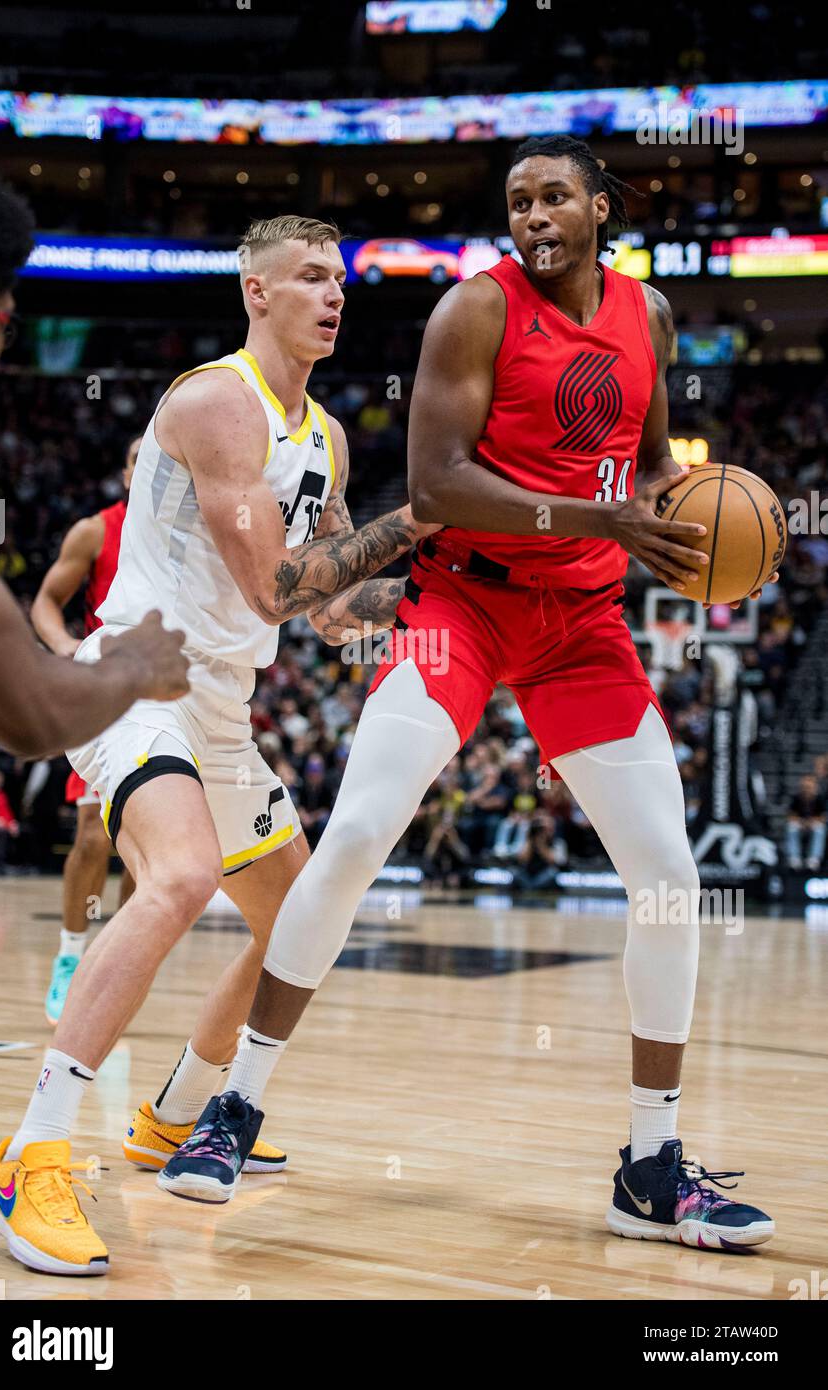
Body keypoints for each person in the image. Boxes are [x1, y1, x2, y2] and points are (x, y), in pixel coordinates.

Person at [164, 137, 779, 1253]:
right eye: (517, 201)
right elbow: (438, 484)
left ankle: (649, 1162)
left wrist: (669, 525)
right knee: (354, 836)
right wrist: (601, 520)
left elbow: (634, 471)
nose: (534, 213)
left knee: (668, 879)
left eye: (554, 196)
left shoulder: (648, 319)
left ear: (598, 207)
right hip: (466, 604)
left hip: (582, 625)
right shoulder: (473, 311)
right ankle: (233, 1106)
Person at [0, 214, 434, 1274]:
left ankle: (178, 1110)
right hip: (135, 687)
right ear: (256, 293)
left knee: (300, 916)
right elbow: (274, 583)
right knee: (179, 876)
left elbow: (320, 608)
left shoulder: (322, 434)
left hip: (220, 708)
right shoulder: (218, 400)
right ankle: (29, 1151)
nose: (333, 294)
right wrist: (425, 515)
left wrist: (439, 589)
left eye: (341, 280)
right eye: (310, 276)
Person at [0, 167, 190, 759]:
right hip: (92, 687)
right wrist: (130, 661)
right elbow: (32, 712)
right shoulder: (93, 528)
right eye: (7, 327)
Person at [31, 437, 140, 1024]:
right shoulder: (95, 531)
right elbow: (47, 600)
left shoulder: (198, 529)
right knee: (95, 840)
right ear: (125, 472)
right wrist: (67, 646)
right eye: (136, 459)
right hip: (102, 696)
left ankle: (115, 967)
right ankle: (72, 954)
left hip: (168, 695)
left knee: (144, 855)